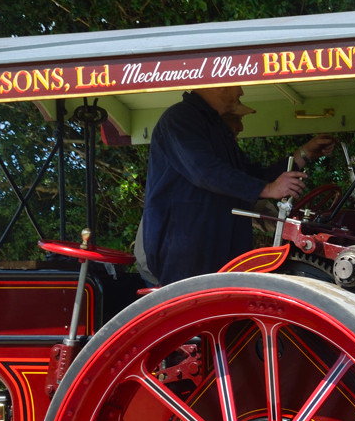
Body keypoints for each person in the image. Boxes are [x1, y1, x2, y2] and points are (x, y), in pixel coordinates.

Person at [139, 85, 336, 285]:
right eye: (237, 85)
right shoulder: (180, 117)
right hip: (188, 253)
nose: (241, 92)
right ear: (216, 83)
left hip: (217, 250)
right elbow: (204, 171)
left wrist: (305, 154)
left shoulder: (215, 126)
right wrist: (268, 189)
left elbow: (252, 175)